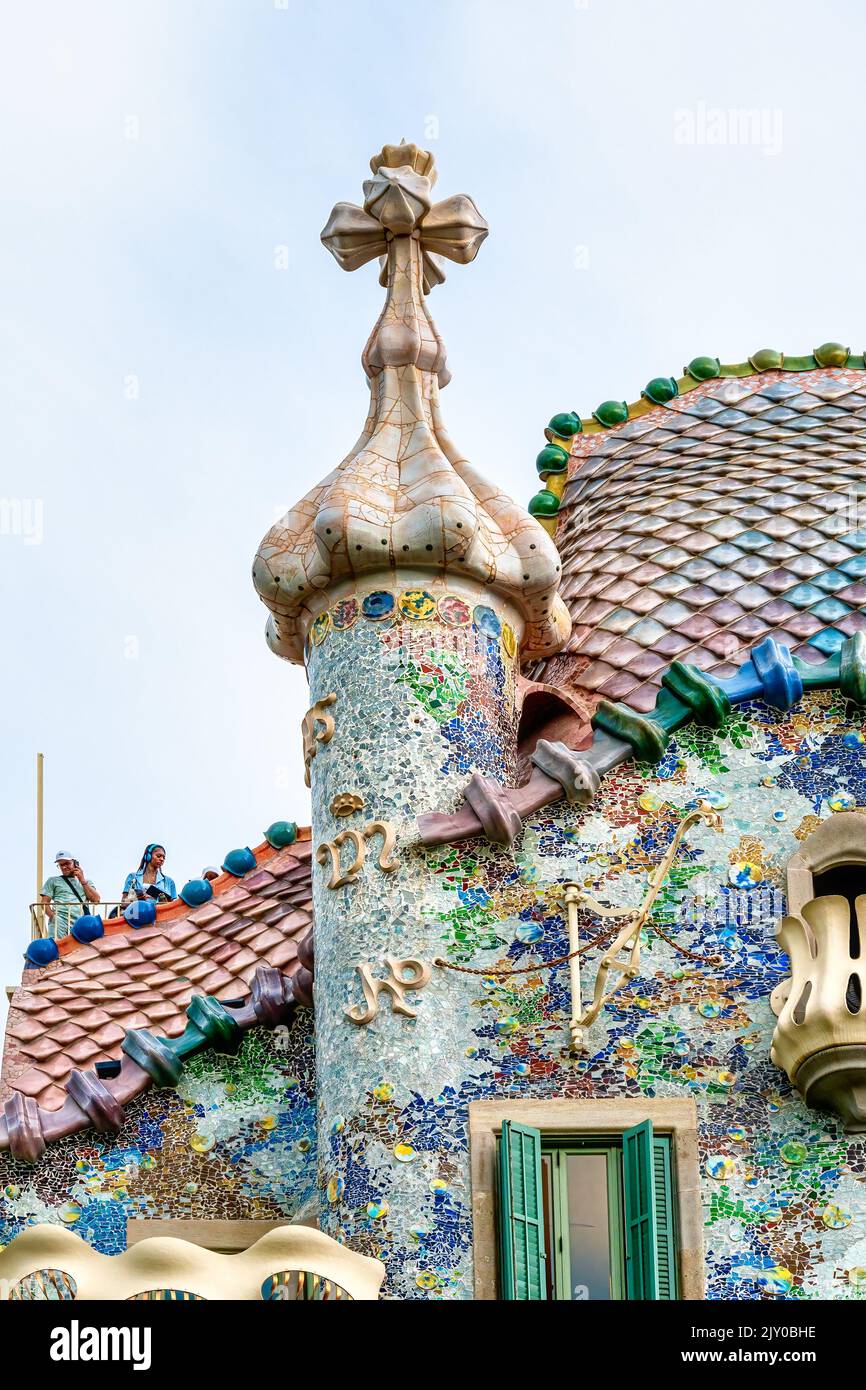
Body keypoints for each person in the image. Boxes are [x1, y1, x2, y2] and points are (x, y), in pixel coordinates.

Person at [40, 852, 100, 939]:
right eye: (61, 865)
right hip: (60, 921)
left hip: (81, 923)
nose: (64, 867)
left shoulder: (87, 882)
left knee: (84, 951)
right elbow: (44, 902)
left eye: (67, 863)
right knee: (58, 948)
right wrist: (53, 917)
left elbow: (96, 900)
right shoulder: (53, 881)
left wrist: (82, 880)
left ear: (75, 864)